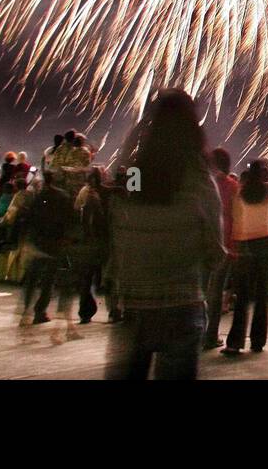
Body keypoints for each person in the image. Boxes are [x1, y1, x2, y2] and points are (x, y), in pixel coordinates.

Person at [105, 90, 222, 378]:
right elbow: (214, 250)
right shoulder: (200, 179)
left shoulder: (135, 178)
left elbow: (120, 219)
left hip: (134, 304)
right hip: (182, 304)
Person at [223, 158, 268, 356]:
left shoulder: (239, 191)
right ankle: (257, 342)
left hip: (244, 244)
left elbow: (235, 219)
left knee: (242, 296)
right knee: (262, 295)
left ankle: (234, 342)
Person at [18, 173, 79, 340]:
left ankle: (26, 311)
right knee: (48, 280)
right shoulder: (63, 197)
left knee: (32, 278)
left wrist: (28, 238)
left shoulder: (37, 196)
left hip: (38, 242)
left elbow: (28, 217)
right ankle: (40, 312)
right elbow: (71, 219)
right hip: (55, 244)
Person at [203, 147, 238, 350]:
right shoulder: (232, 186)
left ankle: (198, 332)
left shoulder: (202, 184)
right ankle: (210, 336)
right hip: (223, 245)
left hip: (201, 245)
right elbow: (237, 217)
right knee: (215, 293)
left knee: (200, 291)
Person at [72, 167, 110, 324]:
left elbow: (76, 210)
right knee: (93, 275)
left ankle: (85, 310)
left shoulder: (84, 192)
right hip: (95, 239)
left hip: (86, 240)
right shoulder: (95, 195)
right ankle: (88, 309)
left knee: (86, 277)